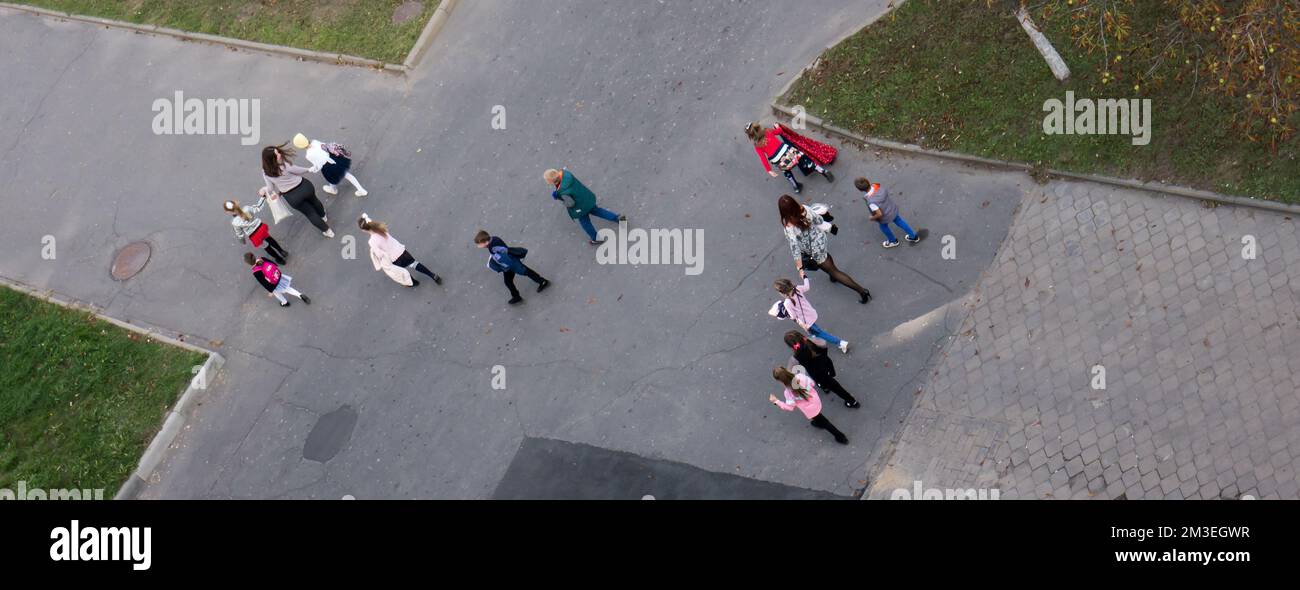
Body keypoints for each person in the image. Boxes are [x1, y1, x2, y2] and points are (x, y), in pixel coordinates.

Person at [778, 195, 871, 304]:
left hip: (813, 250)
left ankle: (862, 291)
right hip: (821, 240)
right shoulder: (804, 209)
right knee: (826, 261)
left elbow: (795, 249)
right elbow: (819, 220)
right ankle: (832, 275)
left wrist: (800, 268)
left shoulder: (789, 227)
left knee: (833, 269)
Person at [261, 142, 334, 238]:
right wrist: (308, 169)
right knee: (315, 201)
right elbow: (297, 170)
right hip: (305, 186)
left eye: (278, 152)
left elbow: (270, 188)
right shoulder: (284, 165)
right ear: (271, 159)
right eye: (276, 154)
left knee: (310, 213)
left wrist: (264, 190)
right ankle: (323, 216)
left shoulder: (266, 172)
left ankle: (328, 231)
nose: (279, 154)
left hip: (292, 197)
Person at [745, 121, 836, 194]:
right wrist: (777, 126)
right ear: (759, 127)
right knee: (804, 159)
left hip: (778, 160)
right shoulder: (767, 131)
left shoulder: (757, 146)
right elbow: (780, 132)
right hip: (787, 152)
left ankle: (796, 186)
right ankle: (823, 171)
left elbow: (763, 158)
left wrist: (769, 170)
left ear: (751, 136)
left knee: (786, 171)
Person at [768, 365, 848, 445]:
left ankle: (840, 436)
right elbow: (812, 383)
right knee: (819, 418)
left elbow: (790, 407)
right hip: (815, 400)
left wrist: (776, 401)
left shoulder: (788, 393)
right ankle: (819, 423)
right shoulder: (800, 377)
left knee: (824, 422)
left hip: (809, 410)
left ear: (780, 381)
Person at [770, 276, 850, 353]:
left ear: (781, 292)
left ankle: (840, 343)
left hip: (807, 322)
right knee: (815, 332)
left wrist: (784, 313)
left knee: (820, 333)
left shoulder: (787, 303)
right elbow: (807, 286)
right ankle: (815, 337)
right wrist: (804, 277)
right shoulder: (797, 289)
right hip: (811, 314)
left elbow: (793, 316)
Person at [544, 168, 626, 245]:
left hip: (580, 208)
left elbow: (570, 203)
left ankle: (596, 238)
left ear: (552, 182)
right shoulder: (566, 174)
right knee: (599, 211)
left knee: (585, 223)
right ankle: (618, 219)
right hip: (586, 198)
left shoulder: (562, 191)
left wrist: (559, 196)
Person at [358, 214, 441, 288]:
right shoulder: (381, 229)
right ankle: (432, 275)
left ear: (364, 230)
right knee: (414, 264)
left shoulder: (372, 241)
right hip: (401, 251)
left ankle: (413, 283)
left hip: (394, 259)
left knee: (400, 272)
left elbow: (379, 255)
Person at [784, 331, 859, 408]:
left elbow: (789, 372)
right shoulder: (815, 341)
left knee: (835, 387)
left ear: (791, 346)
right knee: (832, 382)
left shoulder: (795, 358)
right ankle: (827, 387)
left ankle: (852, 401)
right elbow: (824, 344)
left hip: (817, 374)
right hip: (826, 364)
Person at [474, 231, 550, 305]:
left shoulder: (493, 247)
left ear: (486, 242)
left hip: (510, 263)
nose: (478, 246)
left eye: (479, 244)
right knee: (508, 281)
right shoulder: (493, 239)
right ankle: (516, 296)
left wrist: (501, 264)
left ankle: (542, 281)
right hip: (508, 264)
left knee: (525, 271)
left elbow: (503, 255)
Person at [856, 177, 923, 249]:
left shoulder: (871, 201)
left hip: (884, 217)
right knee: (899, 221)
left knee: (883, 227)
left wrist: (872, 218)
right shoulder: (878, 187)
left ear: (860, 190)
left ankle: (893, 241)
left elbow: (879, 214)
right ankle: (913, 236)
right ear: (868, 182)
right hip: (892, 209)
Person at [293, 133, 367, 197]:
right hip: (333, 158)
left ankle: (334, 189)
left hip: (327, 166)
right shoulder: (315, 142)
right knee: (344, 175)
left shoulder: (308, 155)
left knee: (332, 177)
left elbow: (318, 165)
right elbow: (325, 147)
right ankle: (359, 189)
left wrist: (312, 169)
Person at [225, 192, 288, 265]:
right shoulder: (247, 208)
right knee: (269, 239)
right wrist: (263, 197)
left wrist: (243, 241)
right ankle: (281, 251)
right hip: (261, 228)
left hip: (254, 235)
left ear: (228, 212)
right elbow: (258, 207)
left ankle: (279, 259)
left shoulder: (235, 222)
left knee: (266, 246)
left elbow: (240, 234)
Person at [244, 252, 311, 307]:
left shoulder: (256, 272)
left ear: (249, 263)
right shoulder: (262, 259)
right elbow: (274, 264)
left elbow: (264, 282)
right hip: (278, 276)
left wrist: (271, 290)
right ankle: (299, 295)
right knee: (288, 288)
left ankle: (285, 303)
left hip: (273, 284)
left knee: (277, 294)